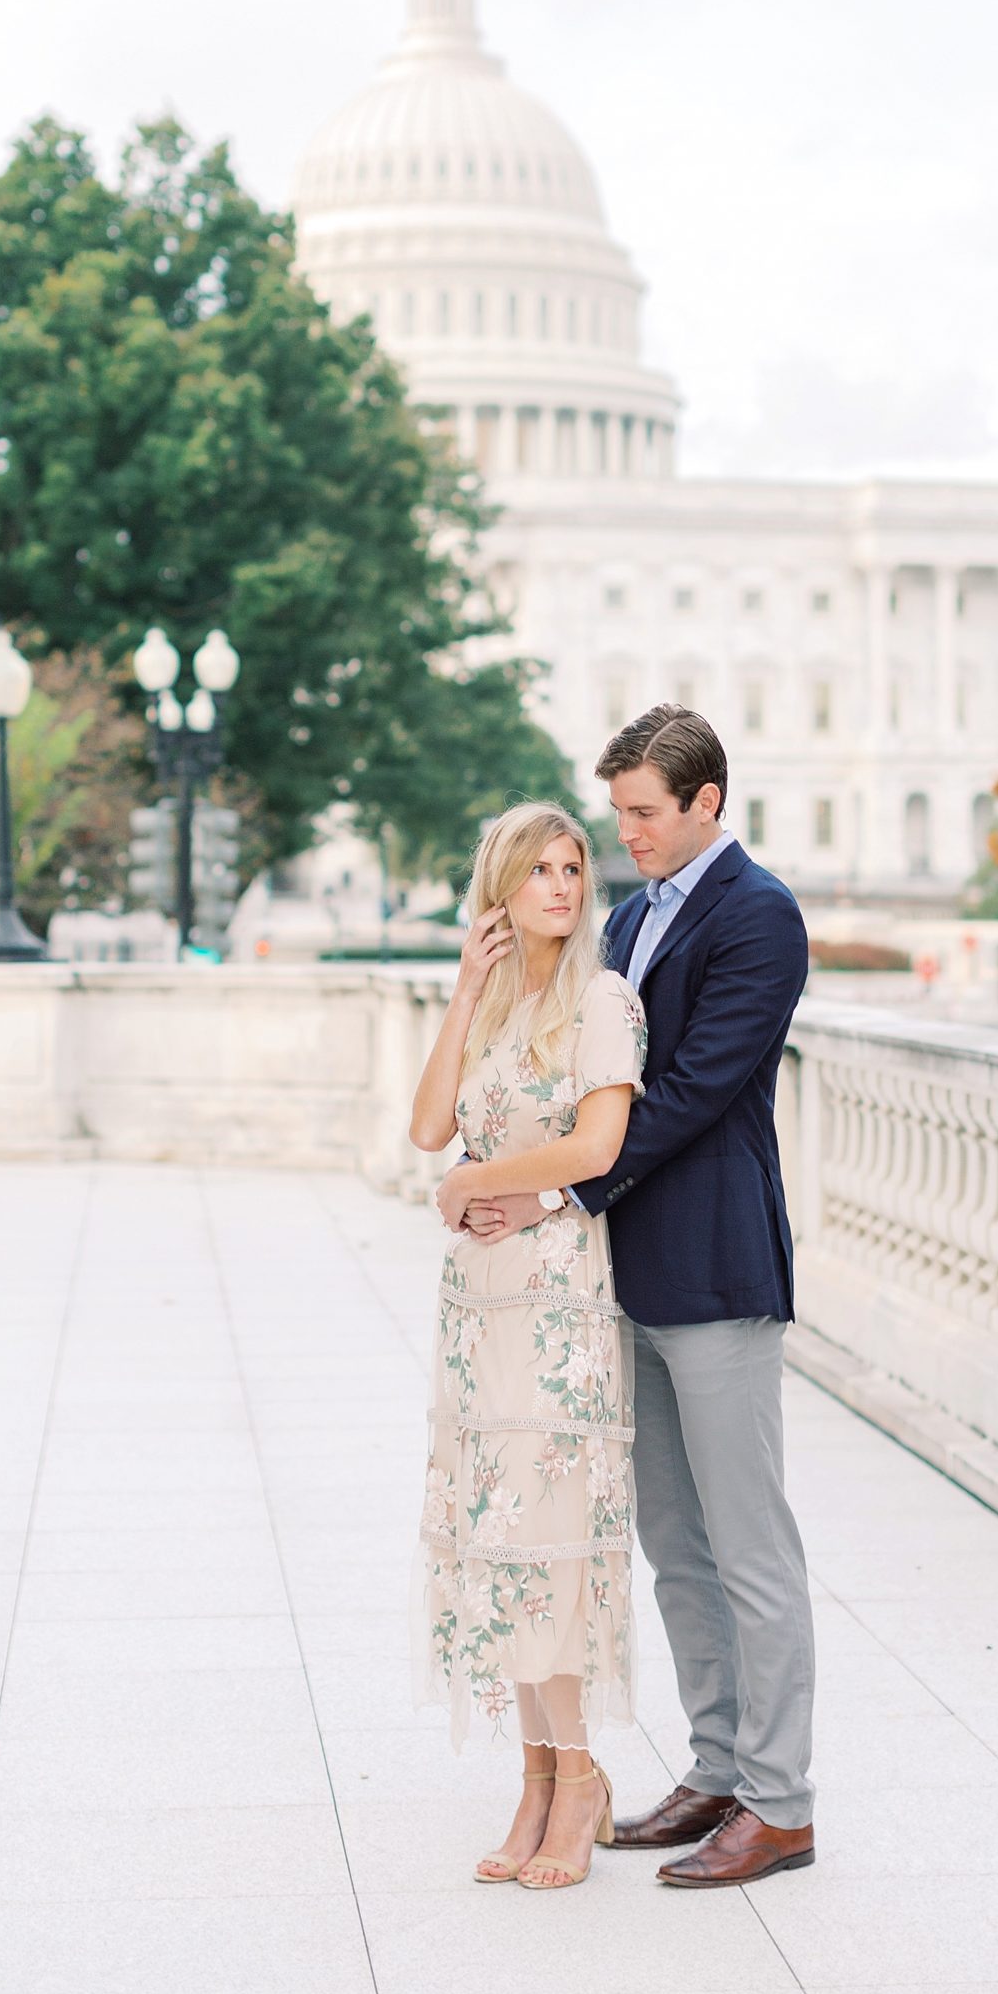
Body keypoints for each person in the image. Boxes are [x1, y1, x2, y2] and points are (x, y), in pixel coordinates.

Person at [453, 705, 816, 1887]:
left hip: (715, 1270)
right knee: (676, 1544)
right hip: (627, 1279)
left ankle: (781, 1799)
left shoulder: (761, 917)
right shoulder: (629, 916)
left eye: (645, 815)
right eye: (618, 815)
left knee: (749, 1545)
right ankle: (714, 1769)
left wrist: (550, 1194)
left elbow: (689, 1095)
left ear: (708, 801)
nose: (628, 836)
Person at [410, 800, 647, 1891]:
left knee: (552, 1540)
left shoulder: (602, 998)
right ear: (500, 888)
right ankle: (537, 1782)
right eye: (538, 869)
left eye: (572, 867)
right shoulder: (497, 1003)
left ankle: (582, 1774)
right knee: (502, 1547)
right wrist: (465, 989)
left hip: (555, 1297)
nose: (561, 885)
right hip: (480, 1301)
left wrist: (477, 1181)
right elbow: (425, 1127)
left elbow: (597, 1143)